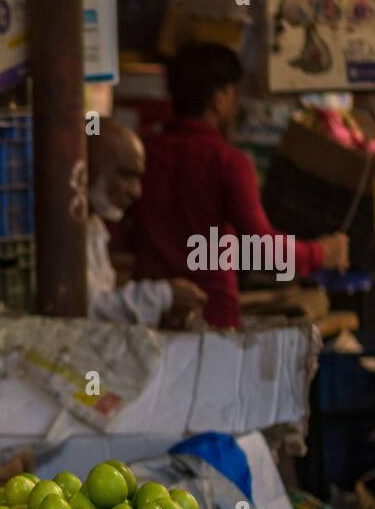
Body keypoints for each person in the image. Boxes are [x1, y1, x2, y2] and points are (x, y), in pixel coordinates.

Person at [129, 43, 349, 329]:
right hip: (210, 318)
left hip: (148, 315)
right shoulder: (228, 161)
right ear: (219, 98)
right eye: (233, 93)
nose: (235, 104)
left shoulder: (143, 153)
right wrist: (321, 252)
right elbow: (262, 246)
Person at [87, 117, 207, 327]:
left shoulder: (93, 226)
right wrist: (163, 296)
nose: (136, 192)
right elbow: (90, 309)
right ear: (91, 165)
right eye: (126, 175)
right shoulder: (65, 230)